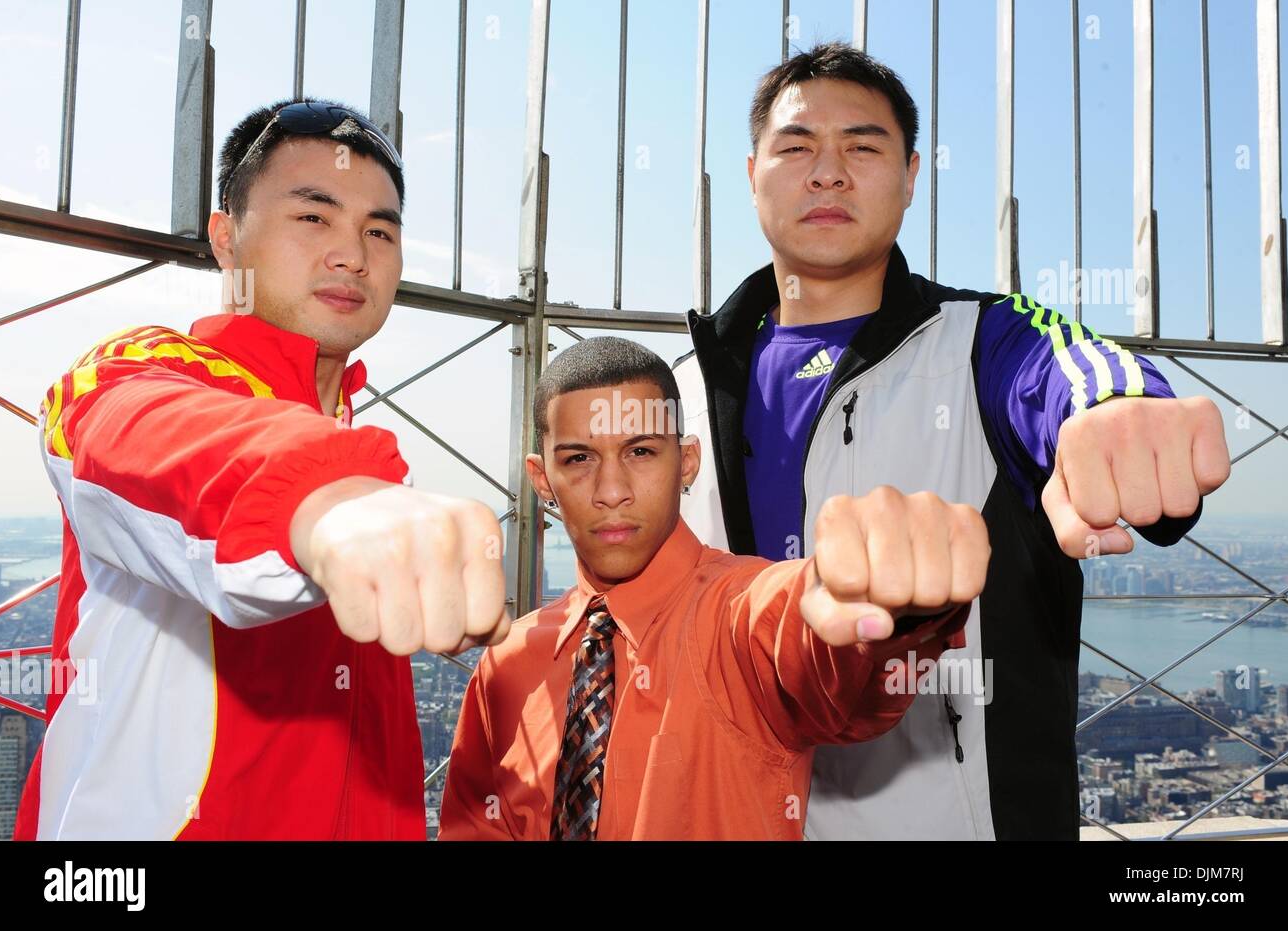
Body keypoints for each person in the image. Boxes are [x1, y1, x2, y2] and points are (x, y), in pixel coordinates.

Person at [672, 44, 1232, 839]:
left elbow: (1073, 365)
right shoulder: (683, 385)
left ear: (909, 177)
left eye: (863, 146)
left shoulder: (982, 340)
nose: (827, 172)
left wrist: (1118, 406)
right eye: (796, 146)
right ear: (752, 171)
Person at [15, 99, 510, 840]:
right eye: (314, 217)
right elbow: (143, 433)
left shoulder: (358, 459)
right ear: (225, 236)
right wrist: (319, 497)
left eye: (381, 229)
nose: (353, 253)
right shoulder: (139, 373)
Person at [438, 336, 988, 840]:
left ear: (688, 462)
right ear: (542, 481)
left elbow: (799, 628)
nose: (611, 491)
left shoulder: (738, 614)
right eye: (579, 458)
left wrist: (881, 592)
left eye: (641, 451)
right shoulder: (506, 666)